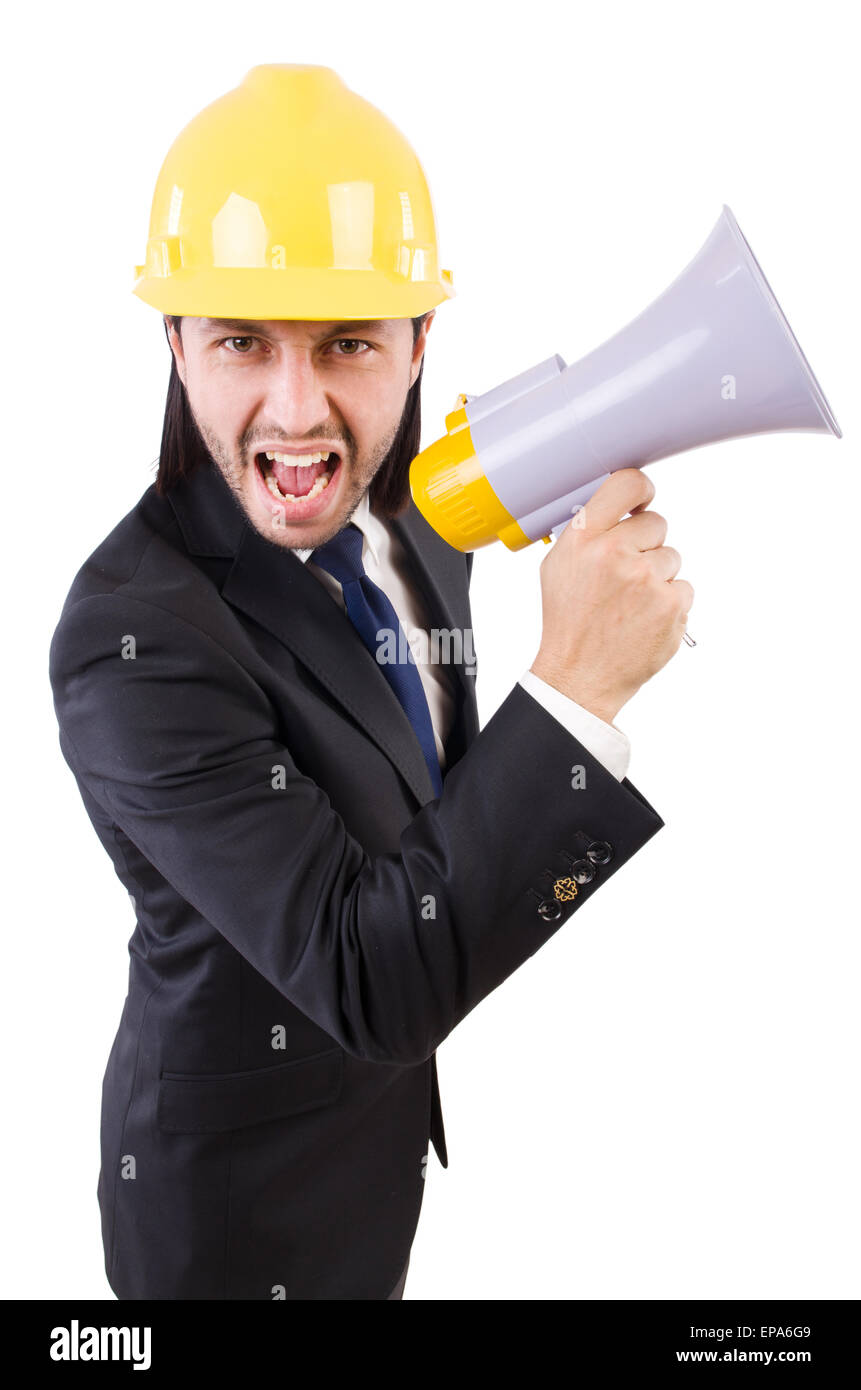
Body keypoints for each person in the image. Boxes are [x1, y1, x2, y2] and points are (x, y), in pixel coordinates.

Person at [48, 64, 692, 1301]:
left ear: (419, 343)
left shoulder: (417, 523)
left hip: (377, 1161)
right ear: (175, 342)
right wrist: (576, 687)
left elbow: (425, 820)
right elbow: (365, 975)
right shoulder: (130, 640)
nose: (298, 415)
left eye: (348, 341)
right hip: (231, 1224)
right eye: (242, 340)